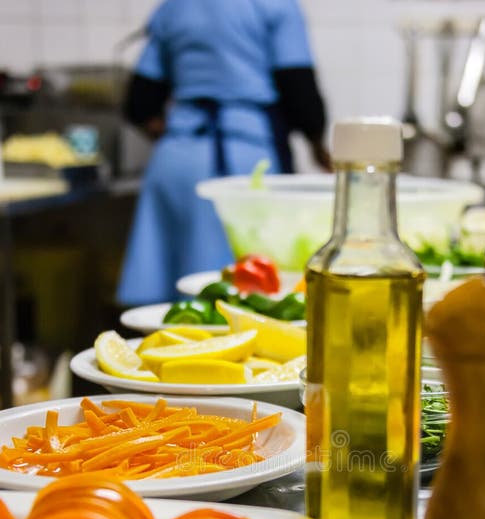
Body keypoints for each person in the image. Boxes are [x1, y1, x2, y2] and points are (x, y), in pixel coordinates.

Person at [118, 0, 330, 306]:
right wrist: (318, 147)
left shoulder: (174, 7)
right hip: (244, 161)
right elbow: (299, 90)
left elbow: (139, 102)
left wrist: (181, 130)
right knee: (236, 300)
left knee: (165, 307)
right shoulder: (275, 6)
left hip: (174, 160)